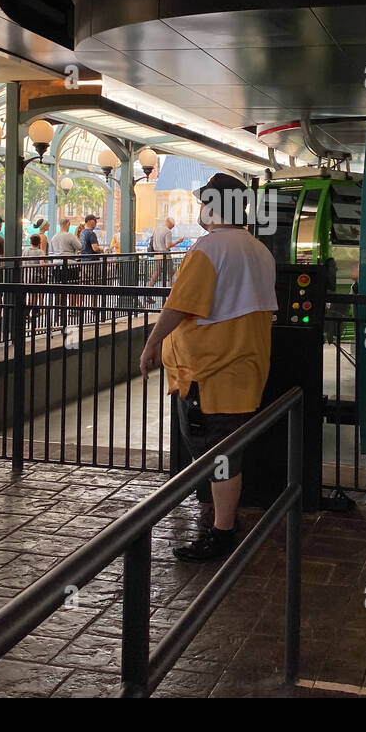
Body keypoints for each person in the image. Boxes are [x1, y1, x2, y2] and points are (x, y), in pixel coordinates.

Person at [139, 173, 277, 562]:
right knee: (228, 454)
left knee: (218, 458)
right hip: (245, 370)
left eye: (204, 202)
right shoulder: (259, 250)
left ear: (215, 206)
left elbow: (180, 305)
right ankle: (223, 522)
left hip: (210, 373)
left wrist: (151, 344)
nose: (201, 209)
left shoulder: (209, 248)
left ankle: (221, 533)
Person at [147, 215, 177, 288]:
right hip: (165, 255)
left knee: (156, 273)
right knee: (171, 274)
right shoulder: (168, 231)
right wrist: (178, 242)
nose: (172, 228)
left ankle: (148, 291)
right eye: (172, 226)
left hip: (156, 255)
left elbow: (152, 240)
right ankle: (173, 292)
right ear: (169, 224)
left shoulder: (157, 229)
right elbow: (168, 246)